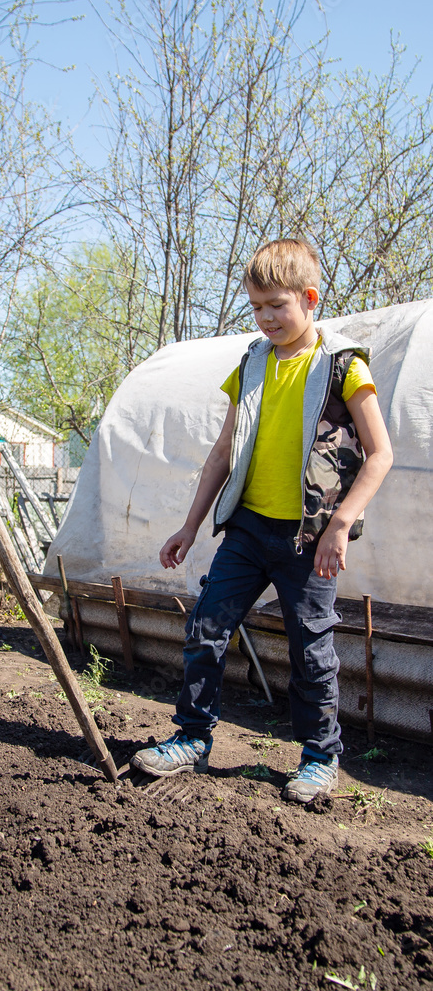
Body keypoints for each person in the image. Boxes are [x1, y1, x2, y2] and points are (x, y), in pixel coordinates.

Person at [131, 238, 393, 802]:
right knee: (206, 625)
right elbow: (222, 453)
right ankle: (192, 738)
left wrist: (342, 523)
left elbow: (381, 455)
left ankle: (320, 757)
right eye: (256, 307)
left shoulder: (343, 367)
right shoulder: (251, 363)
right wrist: (189, 526)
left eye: (277, 304)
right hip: (248, 529)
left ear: (309, 298)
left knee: (312, 649)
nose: (267, 317)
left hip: (309, 538)